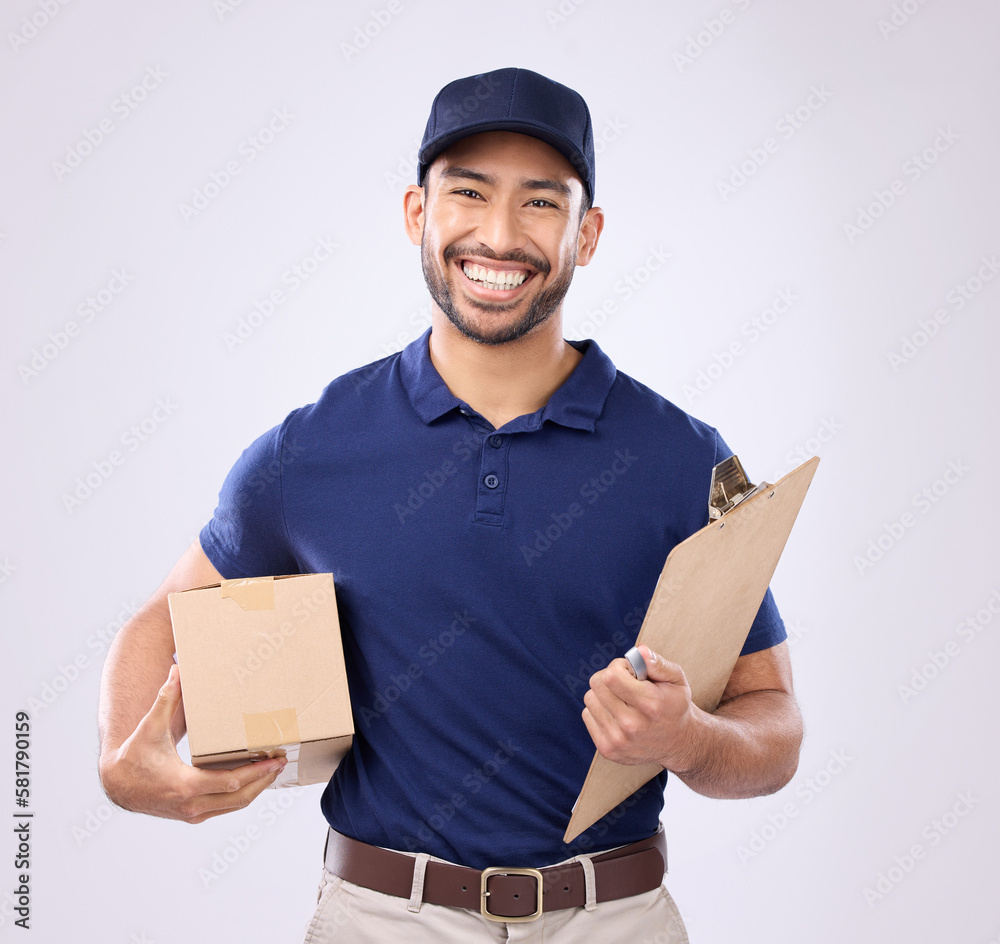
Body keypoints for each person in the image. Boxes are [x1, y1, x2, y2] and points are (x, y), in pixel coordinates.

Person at [98, 67, 803, 943]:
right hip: (380, 918)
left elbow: (773, 726)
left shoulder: (682, 457)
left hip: (613, 919)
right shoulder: (311, 450)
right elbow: (162, 622)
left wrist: (687, 736)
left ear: (588, 234)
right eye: (467, 193)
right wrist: (124, 766)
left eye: (540, 203)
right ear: (416, 215)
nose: (499, 236)